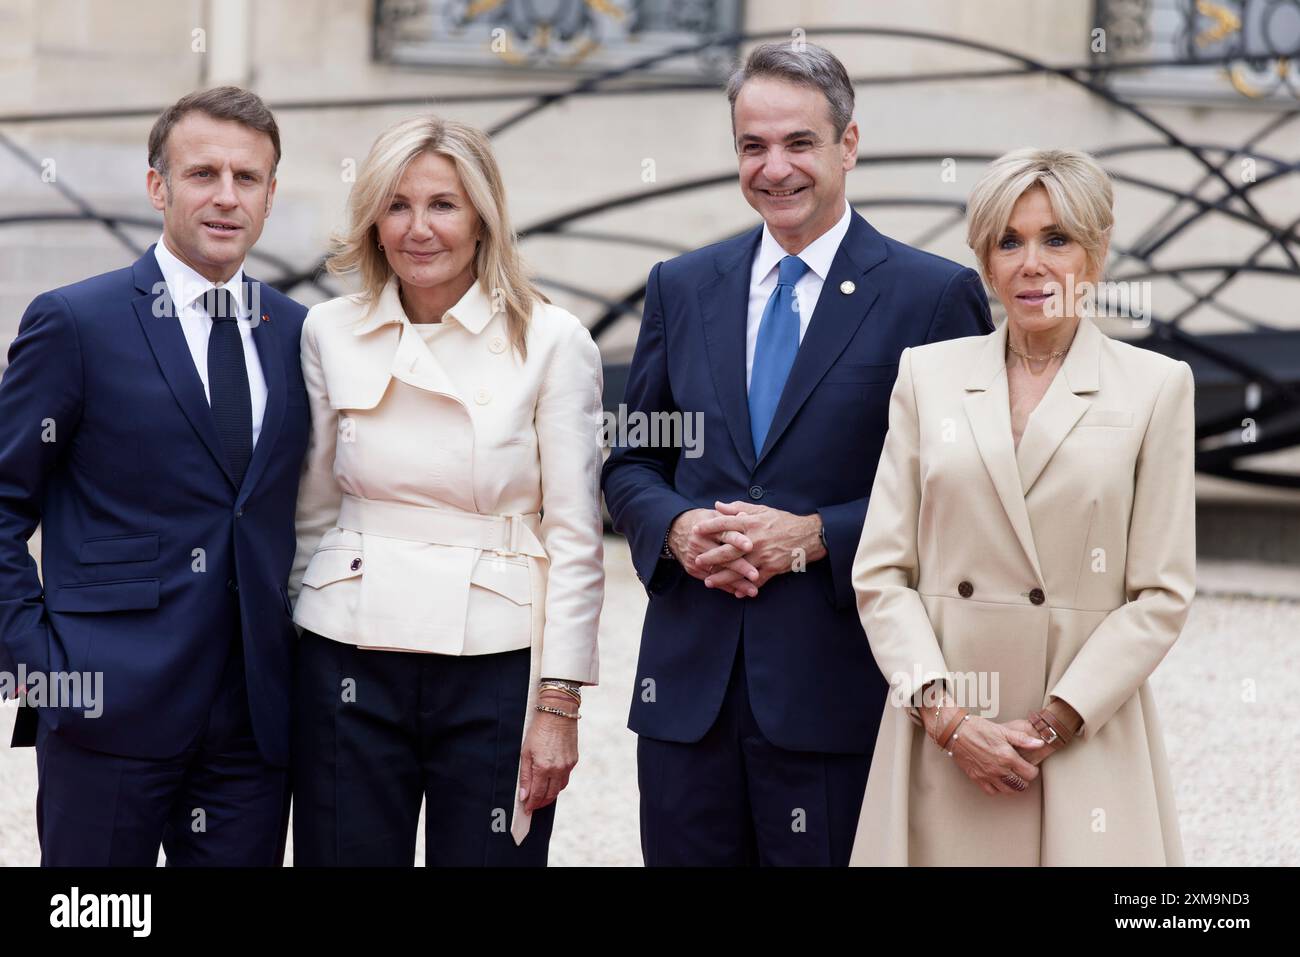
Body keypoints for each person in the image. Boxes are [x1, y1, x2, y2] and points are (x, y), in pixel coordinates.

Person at [600, 41, 993, 866]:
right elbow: (633, 461)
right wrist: (674, 529)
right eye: (753, 146)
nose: (774, 168)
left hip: (836, 695)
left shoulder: (931, 296)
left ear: (849, 144)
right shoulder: (682, 284)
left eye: (799, 143)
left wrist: (813, 536)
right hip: (685, 701)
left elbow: (961, 492)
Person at [849, 148, 1194, 866]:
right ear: (985, 261)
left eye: (1056, 239)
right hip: (940, 739)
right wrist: (949, 721)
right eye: (1010, 241)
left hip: (1079, 740)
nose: (1032, 263)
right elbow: (882, 573)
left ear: (1095, 255)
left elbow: (1159, 592)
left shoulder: (1157, 387)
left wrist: (1054, 721)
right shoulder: (928, 375)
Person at [0, 87, 308, 865]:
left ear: (271, 196)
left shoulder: (299, 334)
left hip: (253, 723)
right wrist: (35, 661)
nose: (226, 197)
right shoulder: (76, 322)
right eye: (203, 173)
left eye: (248, 178)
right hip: (103, 705)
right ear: (157, 185)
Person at [290, 115, 604, 866]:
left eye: (443, 205)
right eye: (396, 205)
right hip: (347, 651)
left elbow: (574, 539)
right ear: (372, 219)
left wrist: (558, 704)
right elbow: (310, 513)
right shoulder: (328, 331)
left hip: (494, 658)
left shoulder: (553, 341)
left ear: (482, 218)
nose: (418, 228)